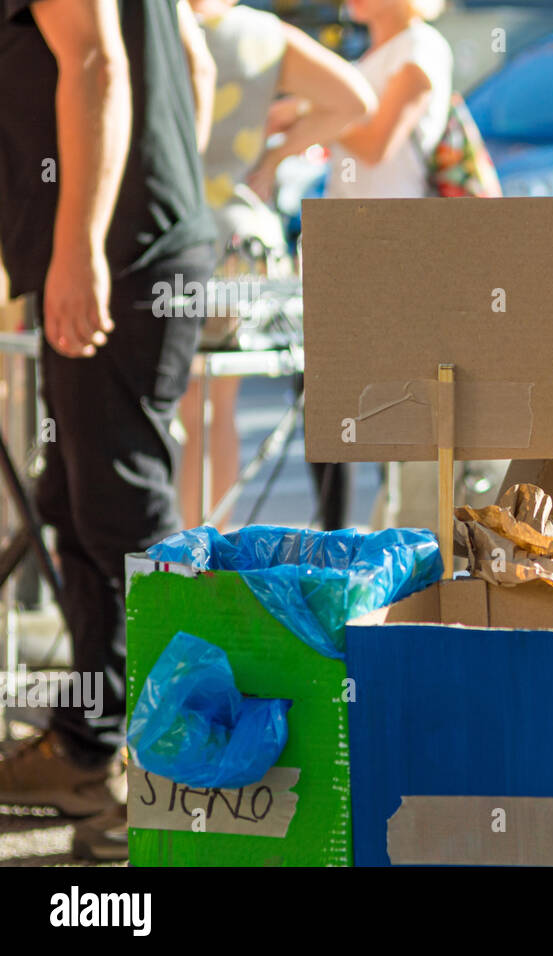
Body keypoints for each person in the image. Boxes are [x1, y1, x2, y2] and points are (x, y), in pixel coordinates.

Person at [0, 0, 216, 849]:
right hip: (130, 247)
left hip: (120, 258)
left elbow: (95, 63)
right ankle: (88, 750)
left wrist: (85, 242)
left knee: (125, 513)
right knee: (79, 502)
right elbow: (193, 59)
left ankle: (178, 781)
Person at [176, 0, 374, 530]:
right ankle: (212, 542)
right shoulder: (263, 34)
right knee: (219, 407)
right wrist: (275, 155)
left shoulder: (159, 21)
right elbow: (355, 100)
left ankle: (188, 544)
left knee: (189, 410)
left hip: (179, 229)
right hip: (242, 236)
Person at [326, 0, 455, 532]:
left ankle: (403, 536)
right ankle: (351, 534)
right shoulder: (375, 53)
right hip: (353, 245)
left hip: (393, 246)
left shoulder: (421, 47)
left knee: (392, 402)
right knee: (338, 398)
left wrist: (321, 114)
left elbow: (378, 143)